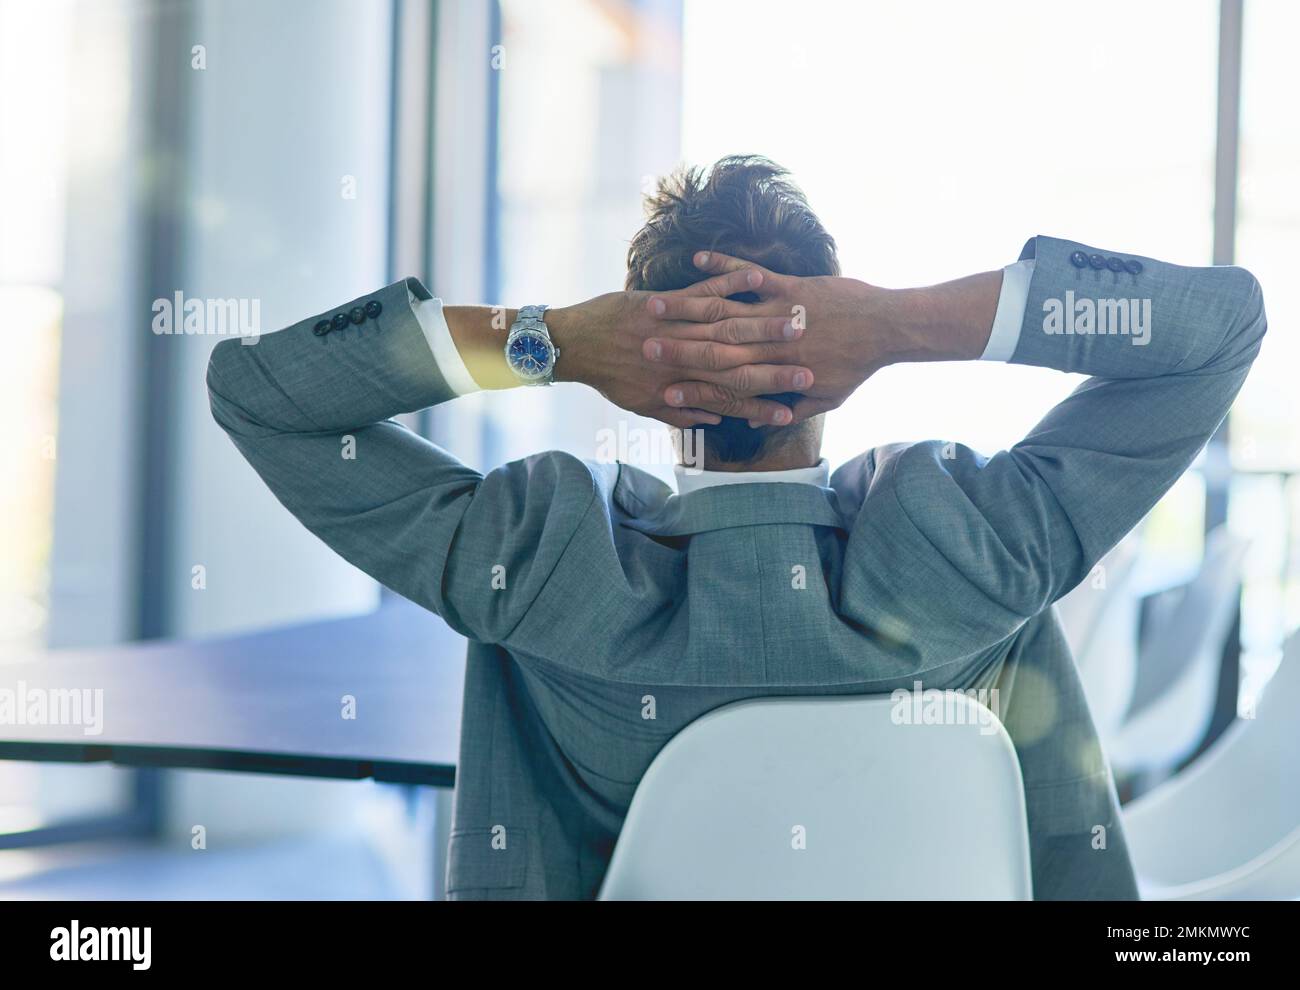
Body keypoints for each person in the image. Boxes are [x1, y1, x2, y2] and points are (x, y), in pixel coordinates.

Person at [207, 155, 1266, 899]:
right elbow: (1221, 326)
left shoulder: (535, 552)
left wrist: (551, 342)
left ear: (639, 371)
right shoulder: (975, 540)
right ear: (834, 372)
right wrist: (896, 323)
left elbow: (260, 394)